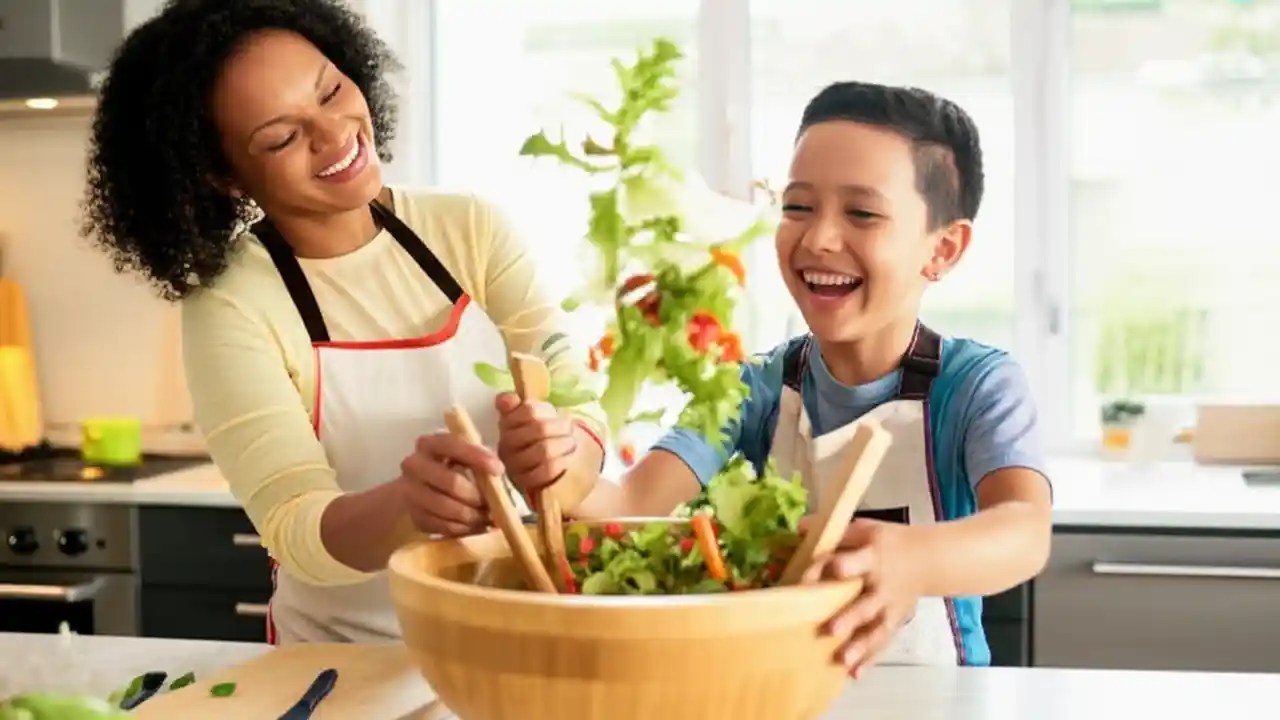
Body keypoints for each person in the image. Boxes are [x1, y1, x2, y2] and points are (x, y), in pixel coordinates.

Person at [420, 81, 1054, 673]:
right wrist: (559, 467)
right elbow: (634, 507)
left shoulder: (975, 386)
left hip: (936, 699)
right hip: (778, 692)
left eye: (862, 214)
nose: (819, 238)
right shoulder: (751, 386)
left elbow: (1023, 533)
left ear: (942, 249)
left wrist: (912, 560)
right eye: (798, 205)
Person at [79, 0, 605, 644]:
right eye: (281, 137)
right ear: (218, 174)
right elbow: (295, 525)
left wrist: (560, 453)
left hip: (521, 639)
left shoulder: (470, 229)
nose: (333, 135)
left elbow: (575, 396)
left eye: (331, 91)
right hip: (347, 662)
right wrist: (406, 508)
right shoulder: (232, 304)